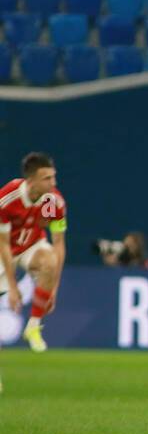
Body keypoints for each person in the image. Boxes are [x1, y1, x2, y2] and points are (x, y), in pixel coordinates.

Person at [0, 152, 67, 354]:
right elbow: (3, 244)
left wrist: (53, 288)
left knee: (49, 260)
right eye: (47, 178)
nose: (53, 182)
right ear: (31, 181)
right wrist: (12, 286)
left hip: (31, 246)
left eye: (53, 177)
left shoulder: (52, 201)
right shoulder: (8, 199)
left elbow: (58, 244)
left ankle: (34, 326)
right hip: (4, 250)